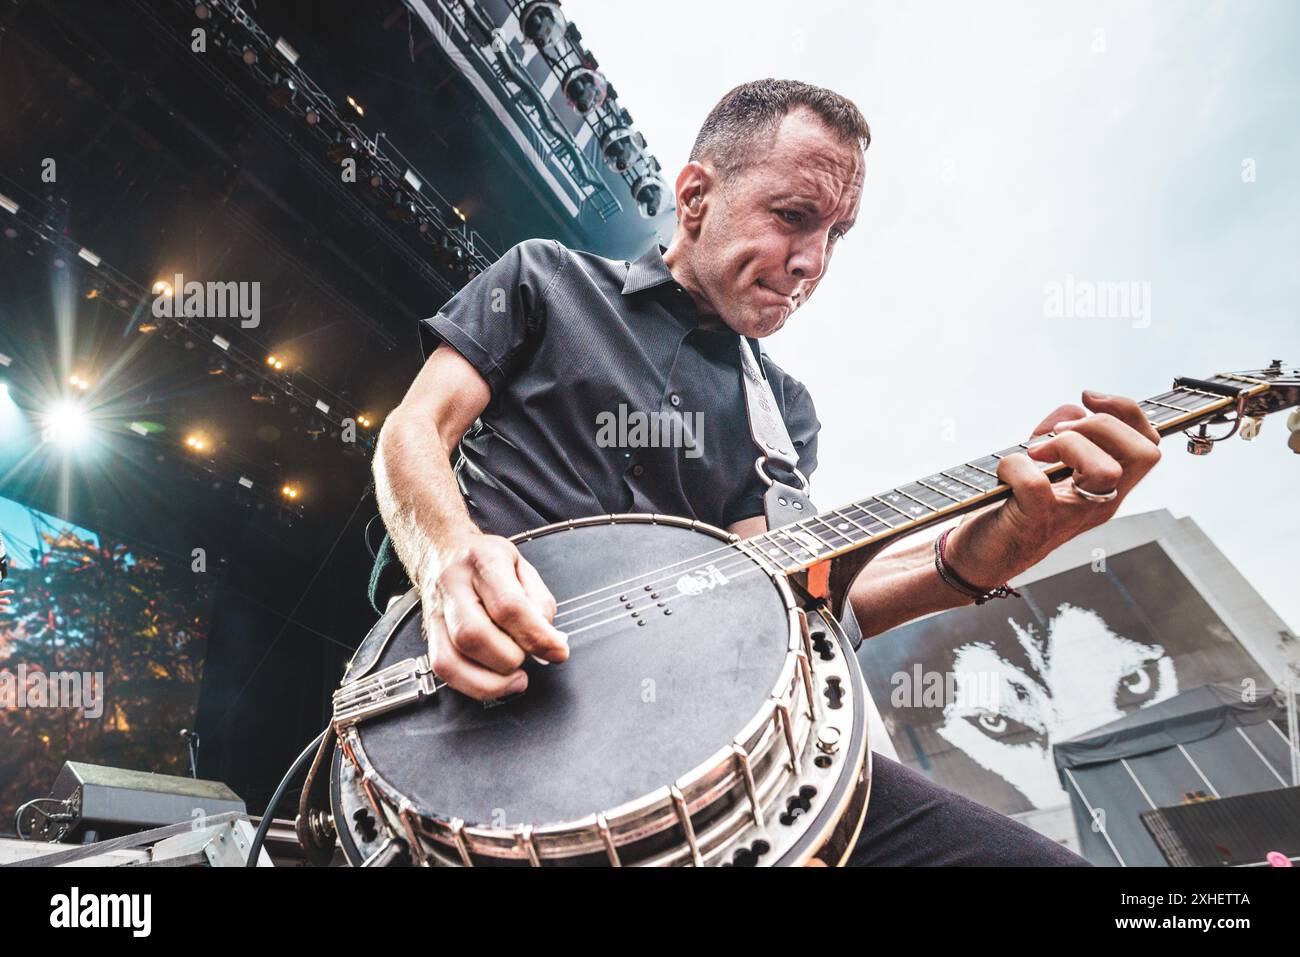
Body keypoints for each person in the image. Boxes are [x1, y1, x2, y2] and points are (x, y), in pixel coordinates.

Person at [371, 79, 1161, 866]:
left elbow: (789, 594)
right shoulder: (545, 279)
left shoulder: (783, 413)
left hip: (686, 743)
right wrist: (447, 555)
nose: (811, 261)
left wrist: (987, 550)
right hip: (478, 705)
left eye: (837, 235)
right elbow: (414, 428)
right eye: (793, 218)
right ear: (694, 197)